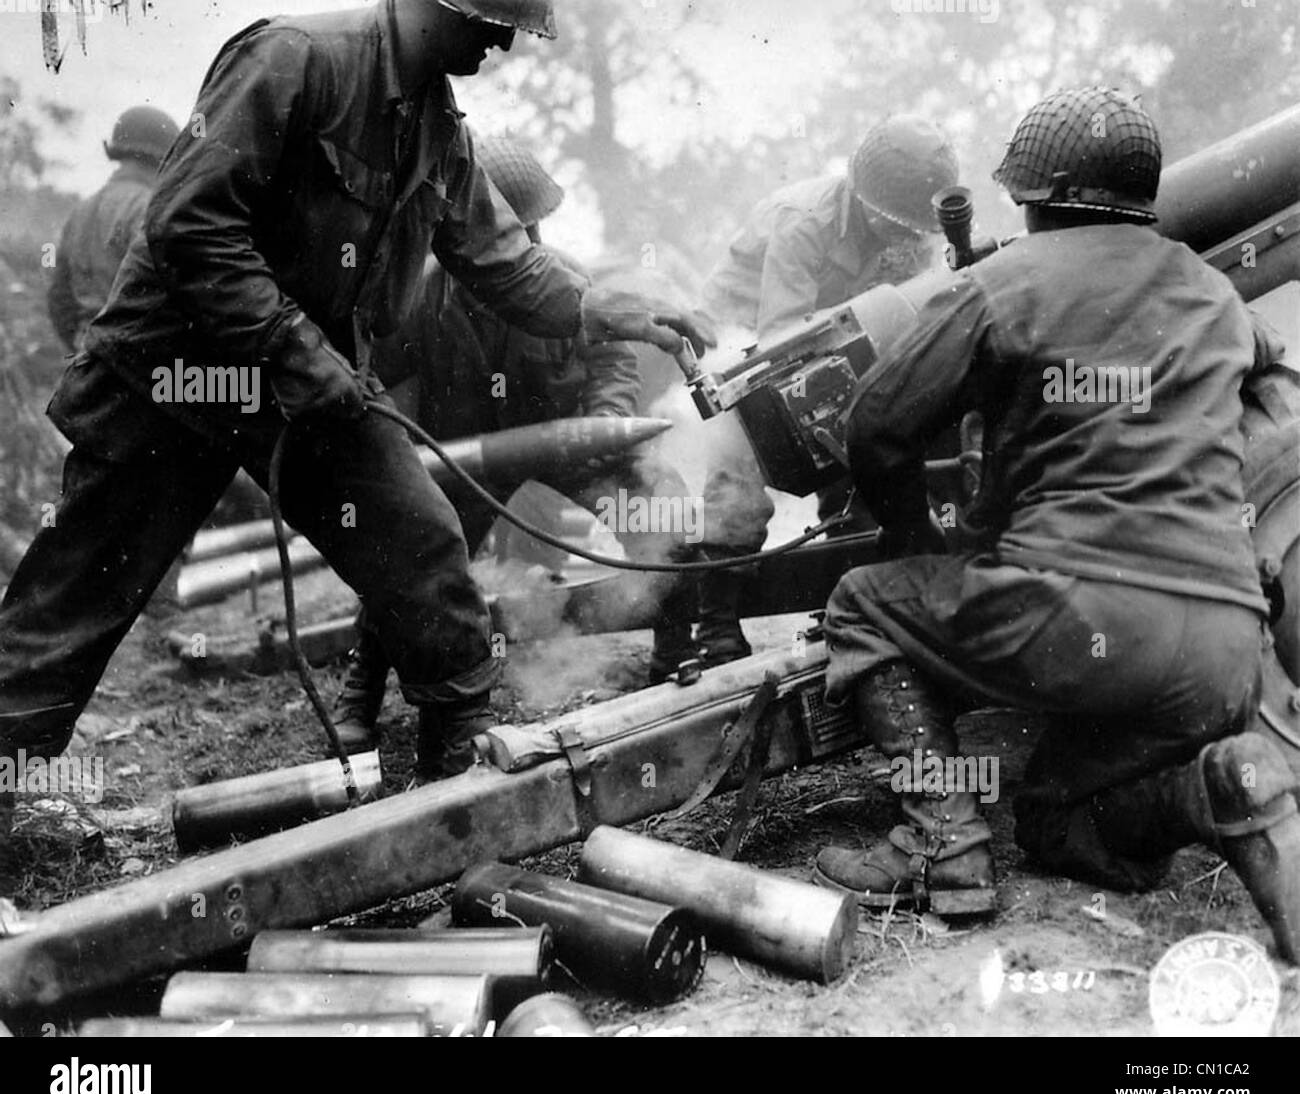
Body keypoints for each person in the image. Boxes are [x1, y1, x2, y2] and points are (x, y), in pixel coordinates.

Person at [0, 0, 711, 842]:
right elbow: (188, 223)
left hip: (309, 384)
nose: (505, 39)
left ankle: (460, 789)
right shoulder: (294, 58)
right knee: (81, 592)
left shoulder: (441, 131)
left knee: (421, 539)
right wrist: (297, 351)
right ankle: (11, 790)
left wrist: (603, 304)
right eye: (489, 19)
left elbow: (503, 264)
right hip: (175, 369)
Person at [814, 88, 1300, 962]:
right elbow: (1273, 375)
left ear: (1032, 198)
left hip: (1084, 623)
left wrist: (919, 534)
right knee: (1052, 815)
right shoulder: (1213, 294)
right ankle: (1219, 790)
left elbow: (873, 427)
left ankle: (940, 840)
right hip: (1227, 652)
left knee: (862, 602)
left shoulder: (997, 287)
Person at [332, 134, 698, 760]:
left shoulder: (570, 283)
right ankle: (359, 693)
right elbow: (373, 374)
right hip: (470, 458)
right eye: (504, 231)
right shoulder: (421, 295)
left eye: (526, 230)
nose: (517, 243)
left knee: (661, 502)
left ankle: (680, 644)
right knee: (405, 552)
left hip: (567, 444)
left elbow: (613, 364)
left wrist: (605, 425)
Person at [695, 117, 959, 667]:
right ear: (861, 197)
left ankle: (848, 604)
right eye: (891, 224)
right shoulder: (804, 223)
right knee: (743, 460)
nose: (902, 239)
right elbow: (780, 341)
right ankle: (714, 628)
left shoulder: (908, 228)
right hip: (746, 340)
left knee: (870, 440)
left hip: (835, 337)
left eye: (912, 230)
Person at [46, 106, 181, 353]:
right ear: (163, 158)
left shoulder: (79, 212)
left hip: (87, 358)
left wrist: (83, 348)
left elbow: (59, 299)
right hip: (139, 358)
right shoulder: (152, 208)